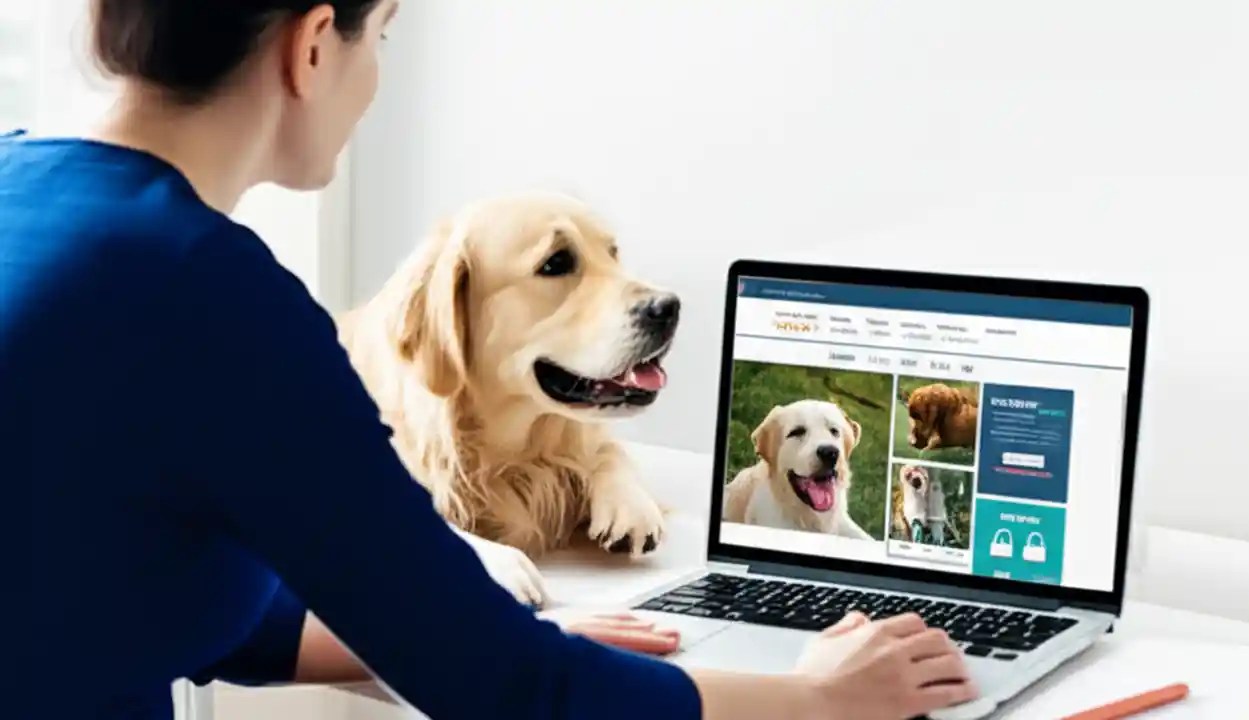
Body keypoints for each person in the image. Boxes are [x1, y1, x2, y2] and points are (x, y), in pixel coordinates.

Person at [0, 1, 977, 719]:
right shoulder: (213, 294)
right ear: (309, 46)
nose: (373, 79)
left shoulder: (17, 188)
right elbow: (509, 693)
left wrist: (482, 626)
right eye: (378, 37)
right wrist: (817, 700)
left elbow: (139, 591)